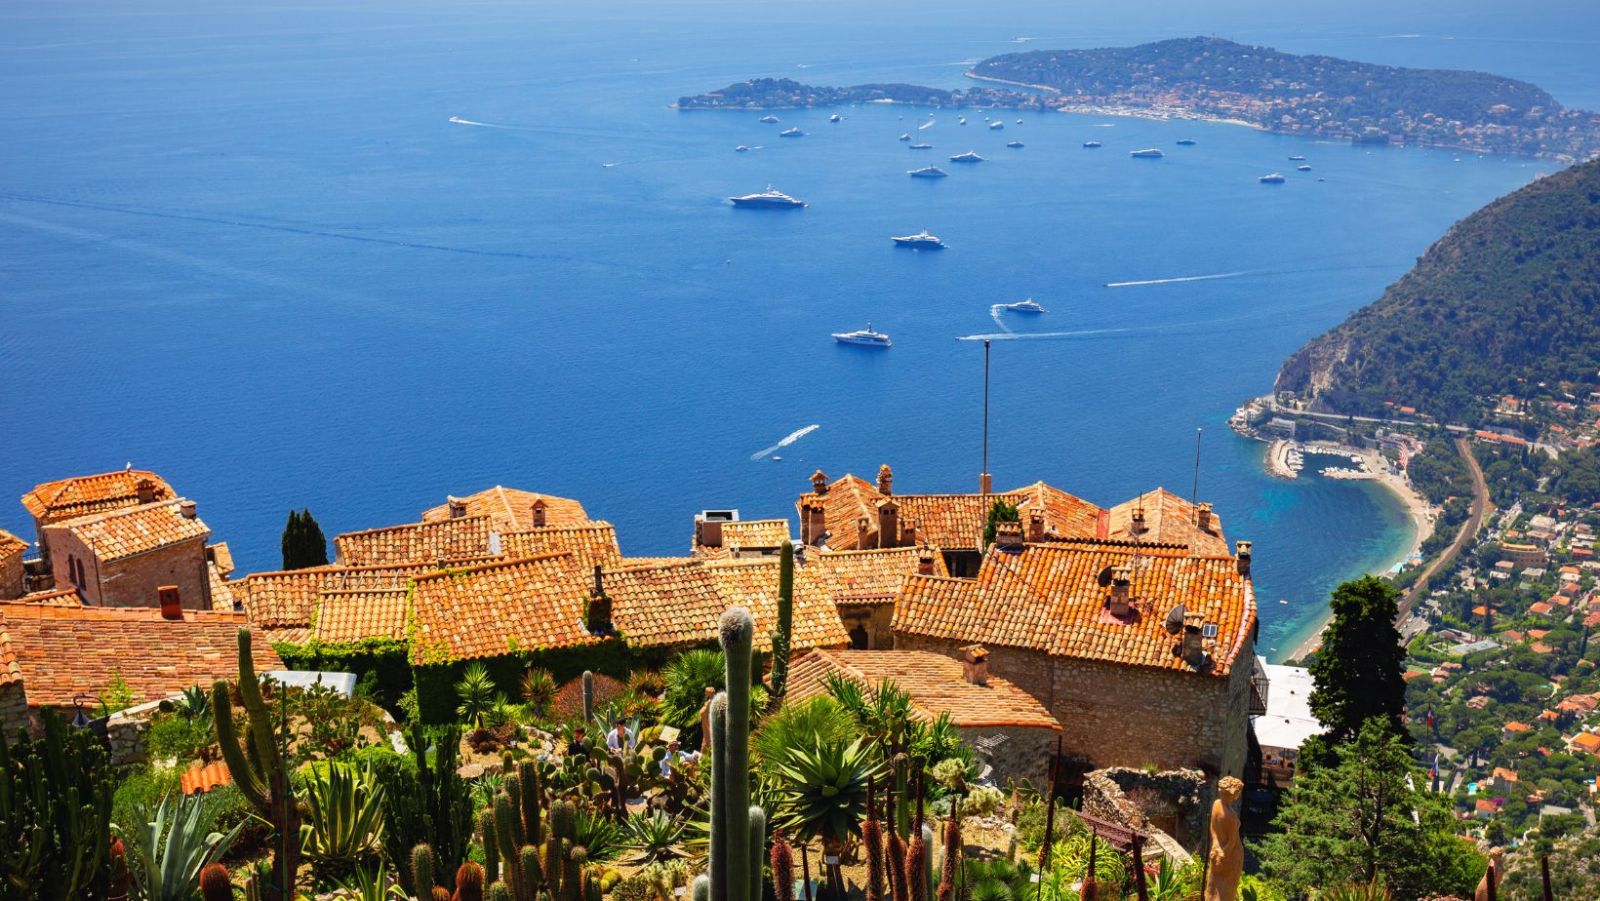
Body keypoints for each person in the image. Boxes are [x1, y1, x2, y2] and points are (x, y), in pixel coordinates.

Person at [1204, 776, 1244, 901]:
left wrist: (1216, 847)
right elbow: (1232, 841)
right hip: (1231, 854)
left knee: (1213, 884)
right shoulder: (1231, 816)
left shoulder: (1216, 804)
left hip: (1217, 850)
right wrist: (1223, 853)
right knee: (1226, 890)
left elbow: (1213, 828)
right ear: (1234, 794)